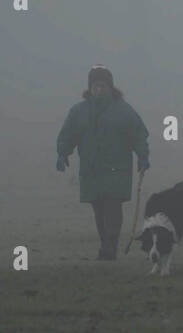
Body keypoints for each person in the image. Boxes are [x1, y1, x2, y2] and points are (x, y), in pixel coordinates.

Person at [56, 66, 150, 260]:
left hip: (117, 170)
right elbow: (68, 134)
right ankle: (106, 244)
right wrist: (63, 153)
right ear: (90, 88)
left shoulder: (123, 110)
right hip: (91, 171)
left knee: (113, 209)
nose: (99, 90)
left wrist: (143, 156)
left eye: (103, 86)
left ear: (110, 87)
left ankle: (110, 248)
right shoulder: (78, 111)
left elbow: (138, 134)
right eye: (95, 86)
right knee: (98, 210)